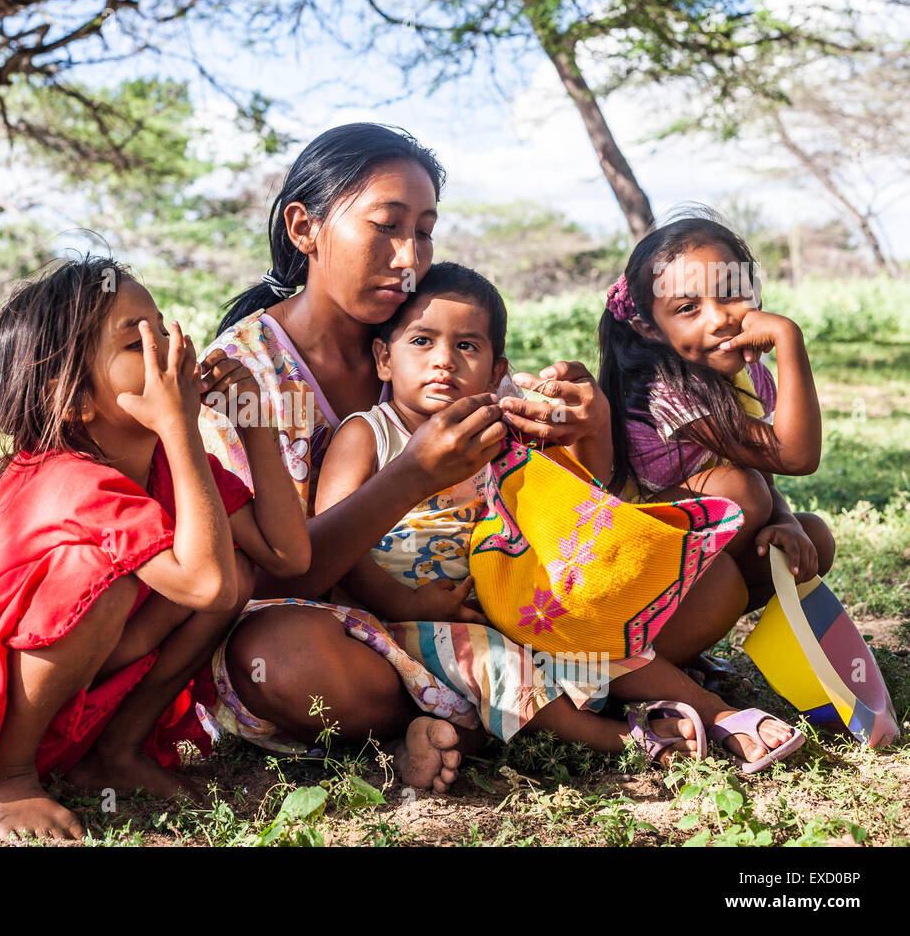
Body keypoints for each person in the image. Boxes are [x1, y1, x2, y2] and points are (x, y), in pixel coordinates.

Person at [196, 124, 795, 791]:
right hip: (344, 634)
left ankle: (473, 717)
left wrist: (583, 423)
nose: (408, 257)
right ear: (305, 228)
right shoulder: (241, 375)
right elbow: (253, 580)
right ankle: (540, 706)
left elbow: (567, 492)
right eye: (387, 227)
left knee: (711, 580)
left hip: (490, 607)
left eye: (424, 231)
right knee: (279, 662)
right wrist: (412, 478)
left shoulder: (435, 324)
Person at [314, 261, 802, 771]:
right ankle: (627, 739)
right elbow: (340, 548)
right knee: (495, 661)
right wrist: (407, 602)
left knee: (589, 634)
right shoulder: (368, 434)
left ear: (497, 372)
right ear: (383, 358)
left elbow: (578, 500)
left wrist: (587, 430)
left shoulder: (501, 434)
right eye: (421, 341)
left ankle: (720, 715)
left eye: (467, 346)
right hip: (405, 619)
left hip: (505, 605)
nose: (444, 361)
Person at [0, 256, 309, 841]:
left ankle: (114, 756)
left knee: (237, 565)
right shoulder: (70, 480)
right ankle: (1, 780)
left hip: (81, 707)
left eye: (162, 327)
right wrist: (179, 429)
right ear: (73, 402)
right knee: (107, 573)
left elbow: (284, 556)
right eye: (135, 343)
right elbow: (207, 587)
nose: (169, 349)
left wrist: (254, 424)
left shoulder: (169, 471)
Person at [597, 212, 836, 612]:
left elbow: (765, 470)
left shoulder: (748, 373)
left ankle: (693, 633)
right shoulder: (666, 390)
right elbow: (796, 455)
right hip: (627, 564)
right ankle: (660, 646)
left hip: (689, 555)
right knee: (740, 491)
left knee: (811, 539)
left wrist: (786, 520)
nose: (720, 319)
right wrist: (788, 336)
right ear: (650, 328)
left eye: (730, 294)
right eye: (689, 307)